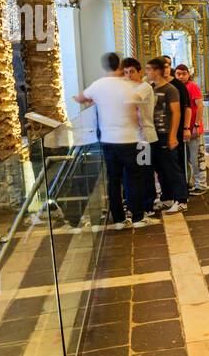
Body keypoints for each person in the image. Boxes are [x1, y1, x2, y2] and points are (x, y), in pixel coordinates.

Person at [73, 52, 145, 229]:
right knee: (135, 179)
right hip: (129, 138)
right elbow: (135, 111)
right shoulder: (128, 86)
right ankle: (137, 217)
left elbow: (79, 98)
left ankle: (119, 220)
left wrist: (94, 101)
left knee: (114, 180)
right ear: (120, 66)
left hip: (108, 140)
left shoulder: (98, 85)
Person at [145, 57, 187, 214]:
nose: (147, 72)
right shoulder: (150, 88)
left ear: (157, 71)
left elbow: (176, 113)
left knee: (172, 168)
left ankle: (181, 199)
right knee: (160, 168)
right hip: (153, 134)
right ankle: (167, 197)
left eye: (149, 69)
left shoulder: (171, 89)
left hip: (165, 133)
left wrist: (173, 136)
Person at [122, 57, 158, 221]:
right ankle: (135, 204)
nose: (129, 75)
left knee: (145, 172)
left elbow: (129, 101)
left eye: (132, 72)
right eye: (126, 72)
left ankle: (147, 205)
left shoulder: (144, 87)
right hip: (131, 138)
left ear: (139, 72)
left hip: (145, 137)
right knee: (134, 174)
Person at [163, 56, 193, 194]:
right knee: (163, 163)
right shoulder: (152, 85)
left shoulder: (178, 86)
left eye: (168, 65)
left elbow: (187, 108)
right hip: (161, 130)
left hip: (178, 128)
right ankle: (168, 192)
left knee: (178, 161)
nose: (166, 68)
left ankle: (181, 193)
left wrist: (187, 127)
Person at [176, 64, 208, 195]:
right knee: (186, 159)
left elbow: (199, 107)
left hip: (194, 129)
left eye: (184, 73)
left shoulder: (192, 87)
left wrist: (196, 125)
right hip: (182, 129)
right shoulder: (176, 87)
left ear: (188, 74)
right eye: (178, 73)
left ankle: (201, 184)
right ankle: (189, 182)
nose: (181, 76)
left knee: (197, 158)